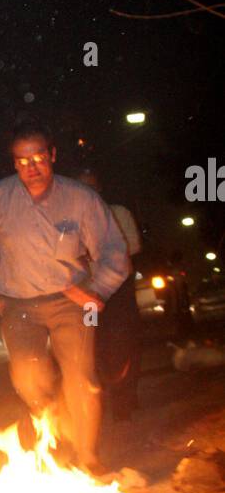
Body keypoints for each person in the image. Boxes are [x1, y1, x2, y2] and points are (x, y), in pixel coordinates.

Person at [0, 119, 130, 475]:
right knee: (27, 376)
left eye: (38, 158)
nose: (31, 168)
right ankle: (52, 420)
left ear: (52, 156)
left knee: (82, 380)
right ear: (14, 164)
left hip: (71, 301)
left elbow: (114, 249)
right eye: (22, 162)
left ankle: (87, 456)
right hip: (19, 303)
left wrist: (97, 289)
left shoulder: (81, 198)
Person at [77, 169, 142, 420]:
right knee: (93, 345)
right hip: (89, 297)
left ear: (99, 189)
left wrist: (104, 255)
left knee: (122, 343)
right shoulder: (72, 222)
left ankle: (124, 400)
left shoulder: (118, 213)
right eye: (82, 188)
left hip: (118, 293)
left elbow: (133, 246)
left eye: (92, 187)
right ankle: (103, 398)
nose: (88, 193)